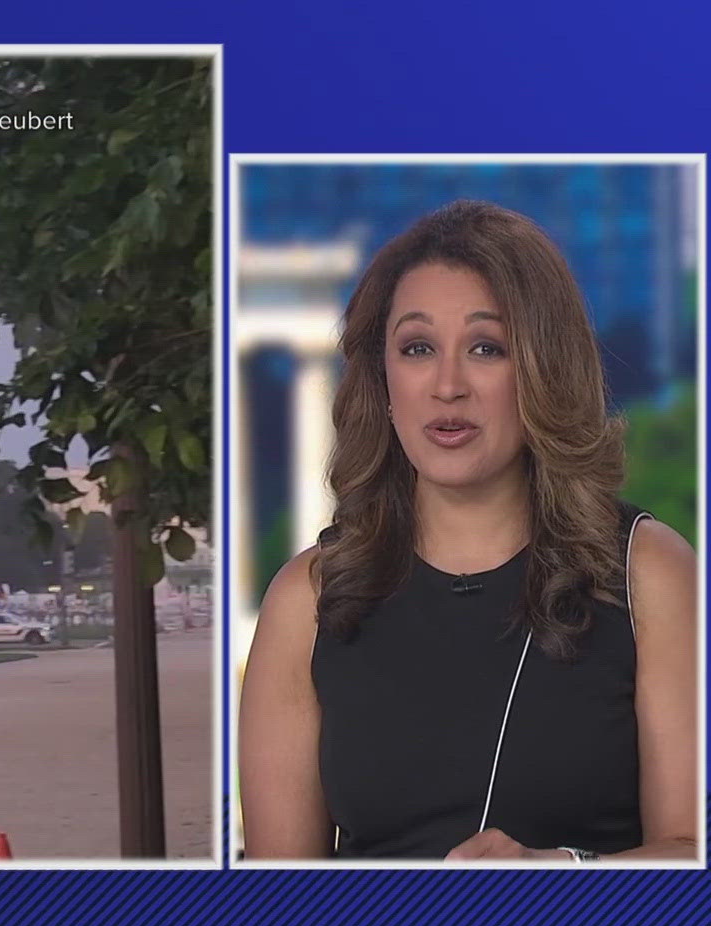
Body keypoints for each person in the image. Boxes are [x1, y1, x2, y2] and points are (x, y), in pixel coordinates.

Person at [240, 200, 698, 863]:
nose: (447, 385)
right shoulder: (305, 599)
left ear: (541, 369)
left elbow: (690, 851)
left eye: (487, 347)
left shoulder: (649, 571)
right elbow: (278, 908)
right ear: (384, 378)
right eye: (417, 348)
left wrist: (563, 874)